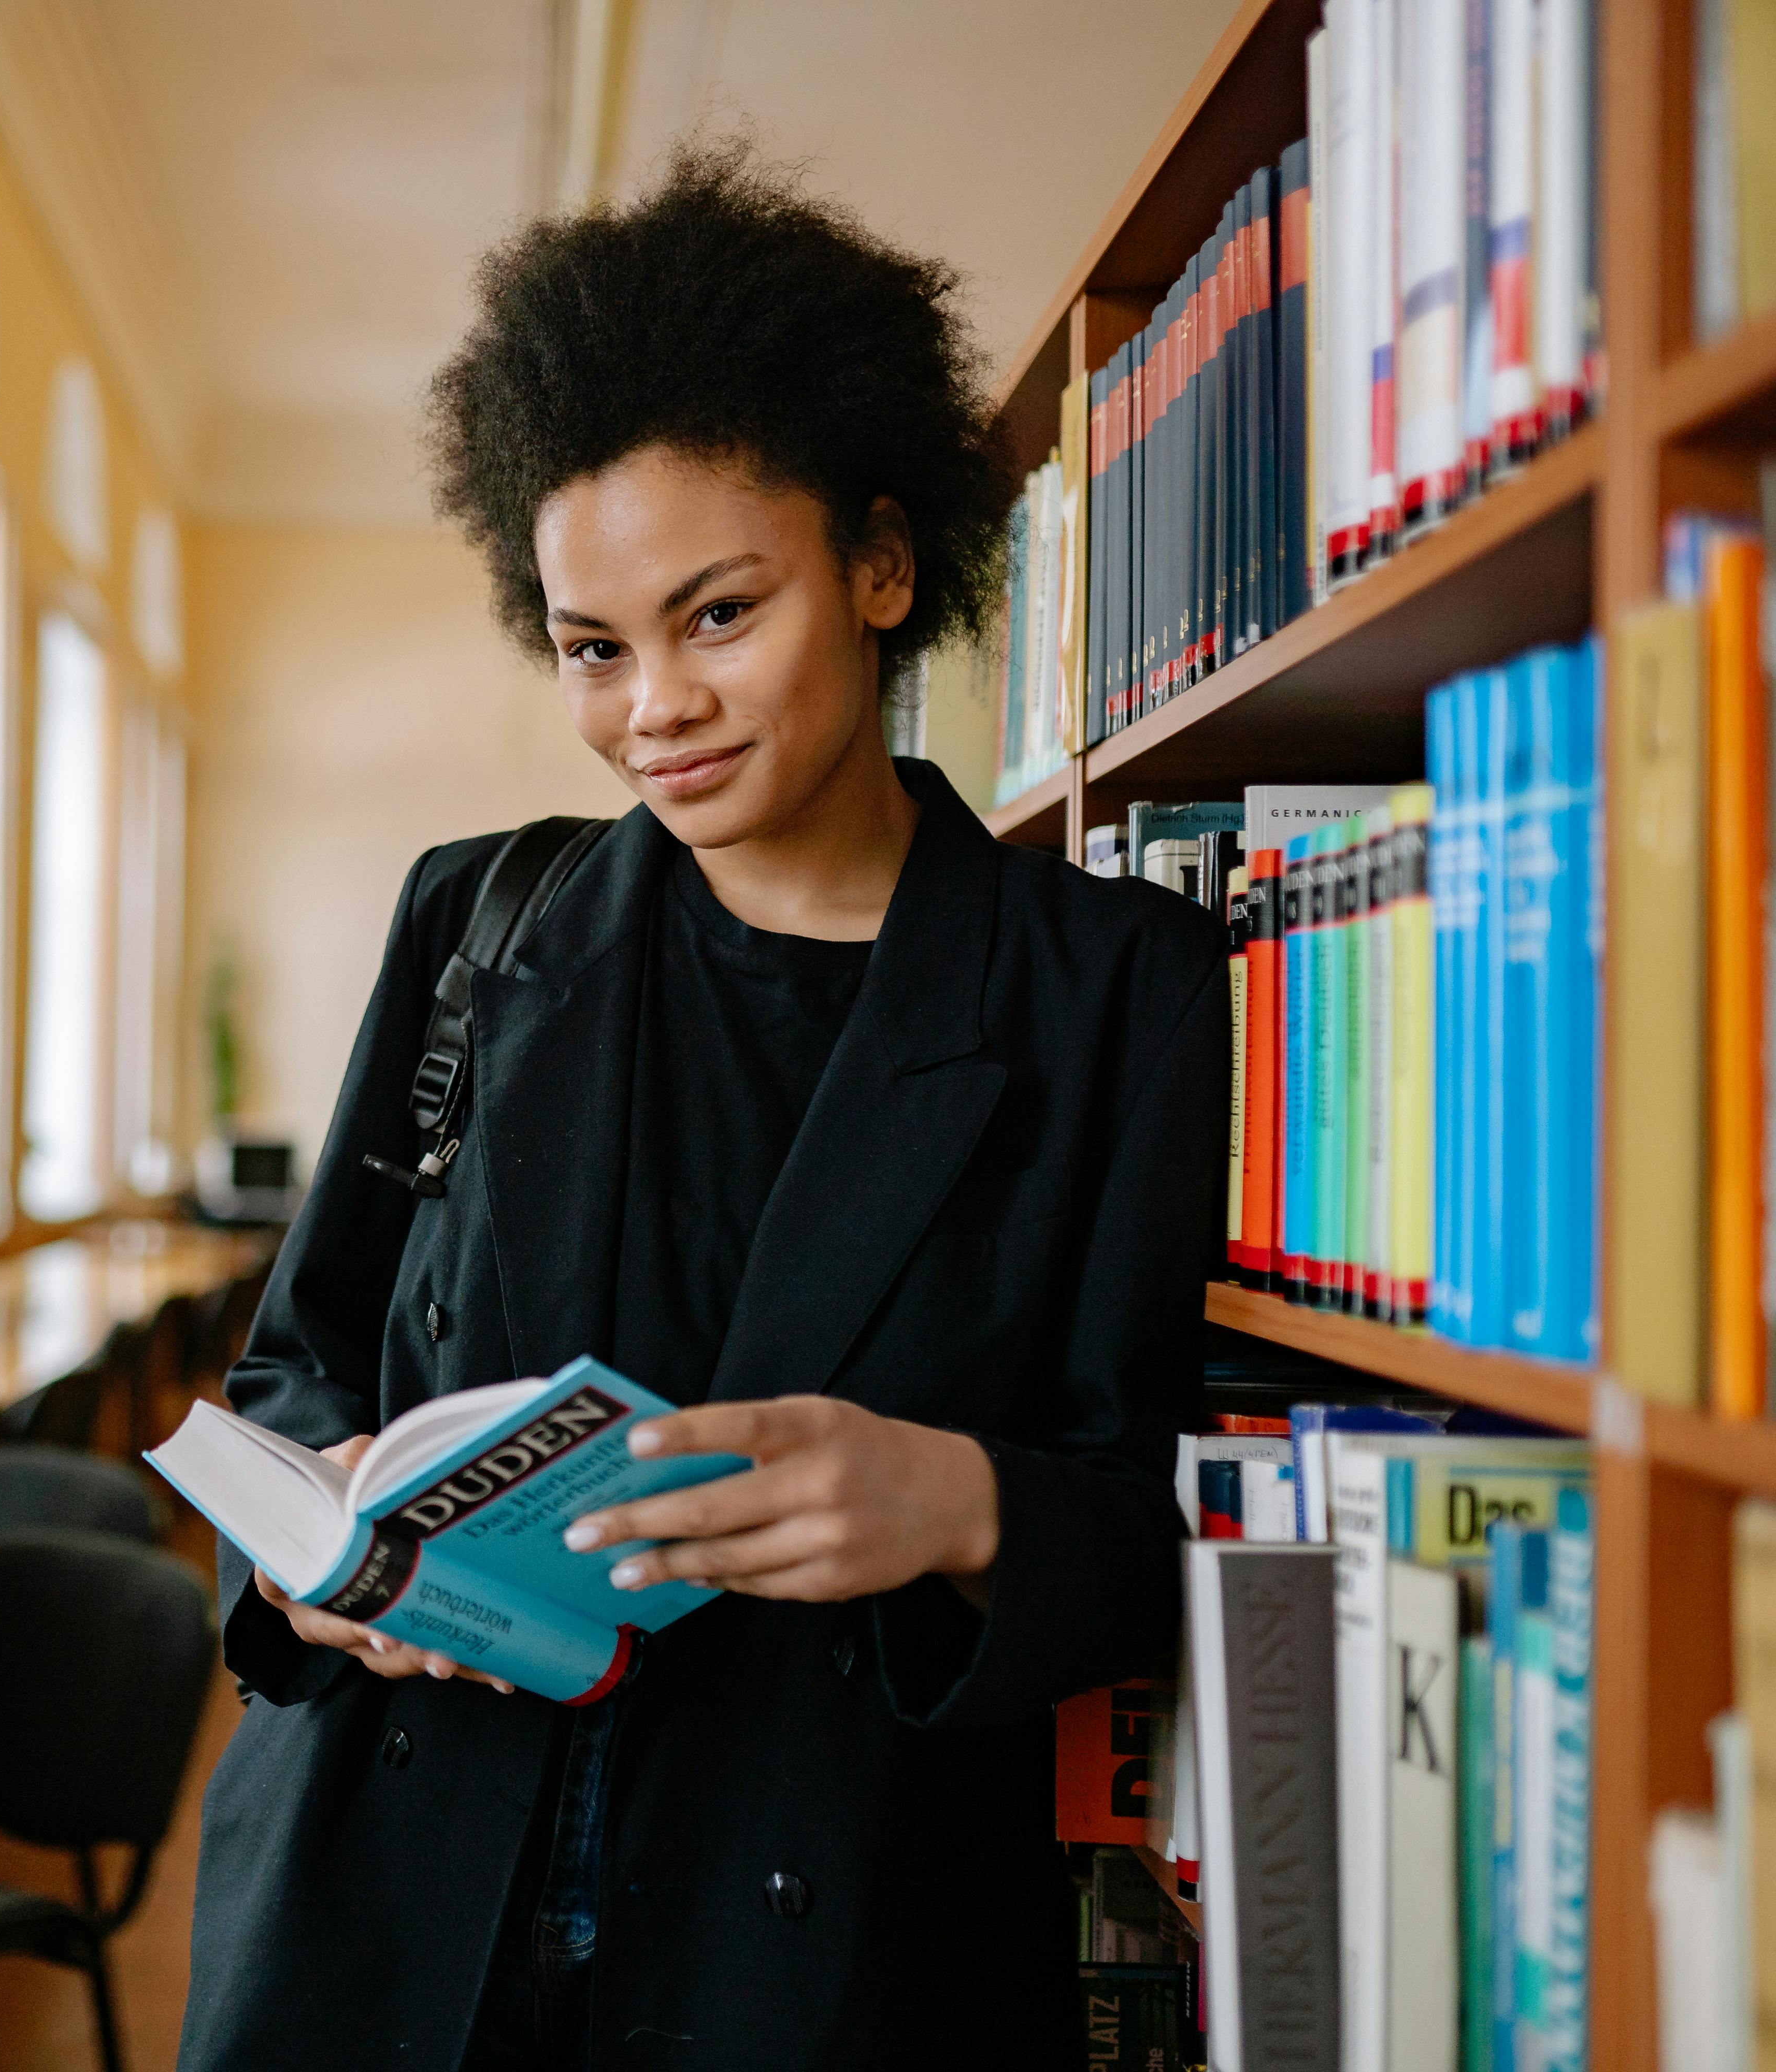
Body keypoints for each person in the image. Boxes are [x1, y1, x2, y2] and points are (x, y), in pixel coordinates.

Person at [179, 145, 1226, 2070]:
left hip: (825, 1949)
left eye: (717, 612)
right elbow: (294, 1368)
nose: (653, 702)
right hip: (393, 1917)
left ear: (883, 568)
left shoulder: (1115, 991)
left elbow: (1161, 1514)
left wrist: (958, 1500)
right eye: (594, 646)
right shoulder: (476, 918)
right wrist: (319, 1549)